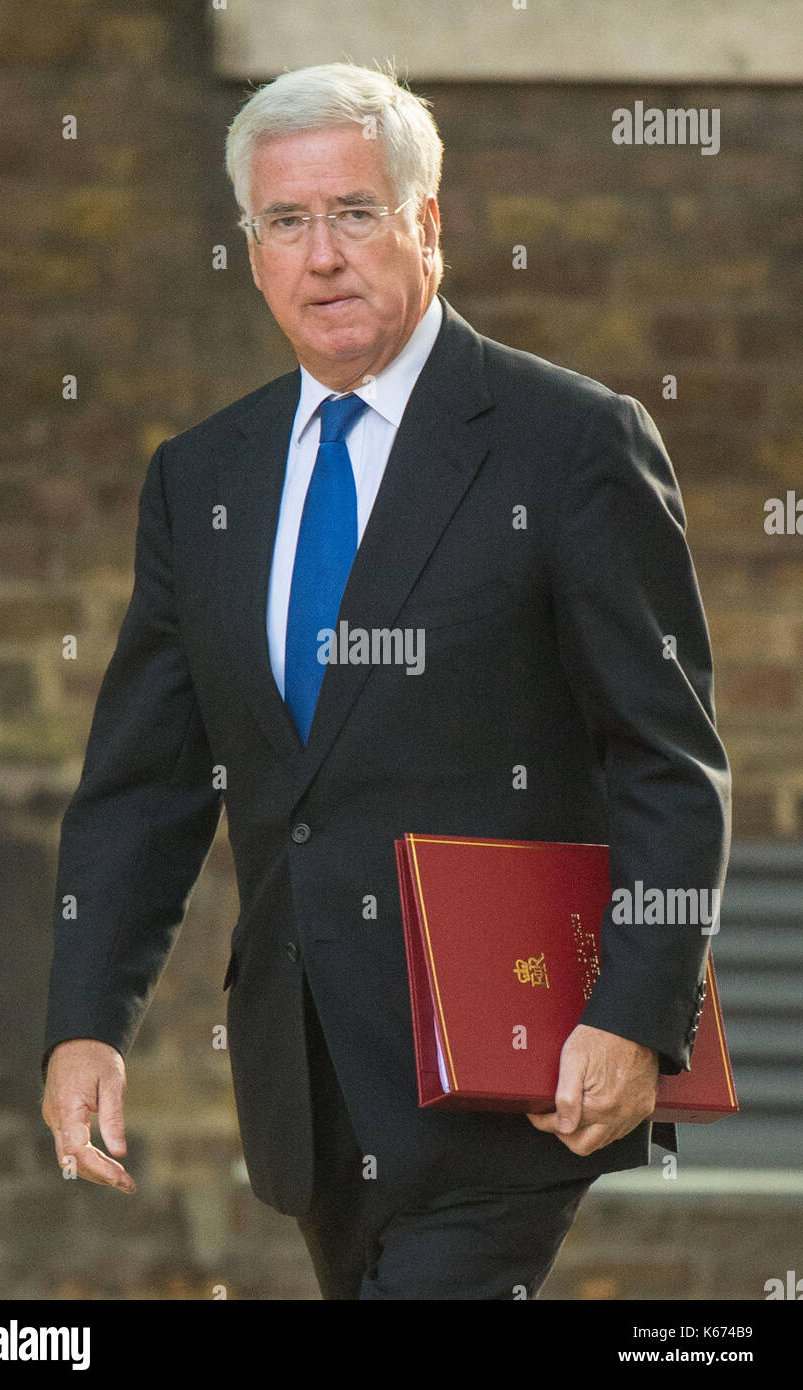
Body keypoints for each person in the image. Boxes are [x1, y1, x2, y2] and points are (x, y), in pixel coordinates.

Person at [41, 63, 731, 1300]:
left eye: (356, 212)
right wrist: (88, 1022)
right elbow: (144, 786)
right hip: (308, 1085)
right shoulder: (199, 480)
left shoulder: (571, 442)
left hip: (509, 1074)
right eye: (285, 222)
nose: (322, 256)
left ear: (428, 226)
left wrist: (636, 1012)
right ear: (249, 252)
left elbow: (668, 761)